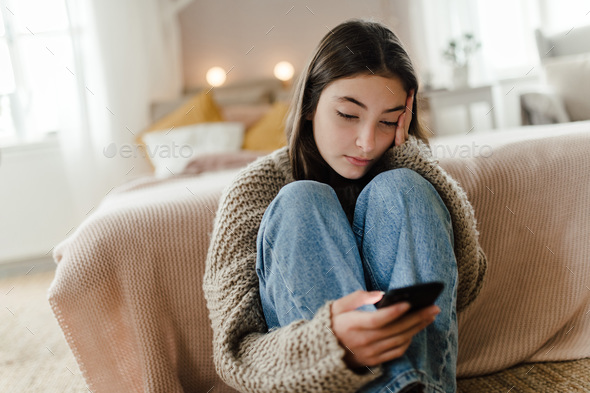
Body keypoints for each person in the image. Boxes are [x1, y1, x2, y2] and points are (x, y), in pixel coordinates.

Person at [203, 18, 487, 393]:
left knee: (403, 188)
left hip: (422, 378)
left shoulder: (401, 174)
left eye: (388, 121)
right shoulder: (255, 190)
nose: (367, 143)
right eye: (348, 115)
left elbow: (463, 283)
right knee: (301, 200)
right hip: (319, 379)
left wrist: (408, 158)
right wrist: (330, 342)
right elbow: (235, 354)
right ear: (309, 105)